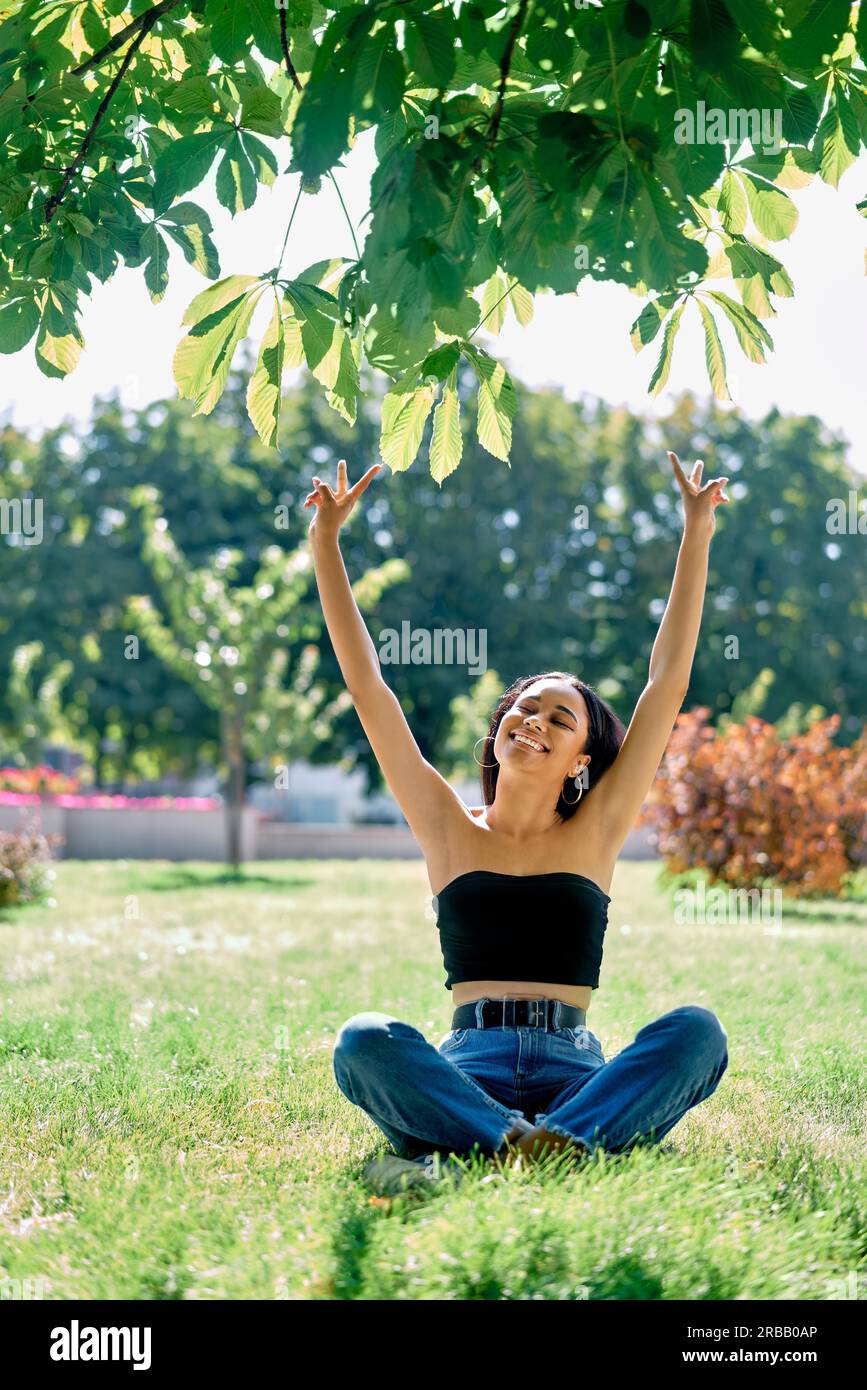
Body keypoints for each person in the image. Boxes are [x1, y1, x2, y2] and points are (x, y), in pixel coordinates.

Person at [304, 452, 731, 1195]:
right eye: (523, 707)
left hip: (575, 1071)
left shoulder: (594, 830)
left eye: (557, 718)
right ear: (499, 728)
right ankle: (535, 1148)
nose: (531, 720)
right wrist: (325, 543)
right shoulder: (446, 824)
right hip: (465, 1069)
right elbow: (367, 686)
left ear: (580, 760)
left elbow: (667, 683)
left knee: (696, 1033)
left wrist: (695, 530)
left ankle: (489, 1155)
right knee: (365, 1040)